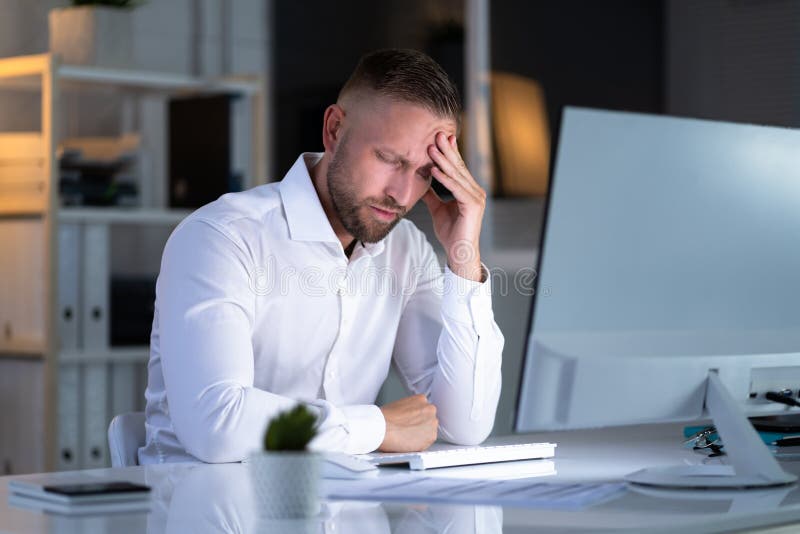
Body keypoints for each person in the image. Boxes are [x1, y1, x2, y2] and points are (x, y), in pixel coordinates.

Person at [138, 48, 504, 464]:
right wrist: (377, 428)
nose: (402, 195)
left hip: (344, 499)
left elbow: (464, 425)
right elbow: (215, 425)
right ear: (334, 129)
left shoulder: (406, 250)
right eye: (389, 159)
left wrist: (463, 256)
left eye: (424, 173)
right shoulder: (221, 238)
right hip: (203, 499)